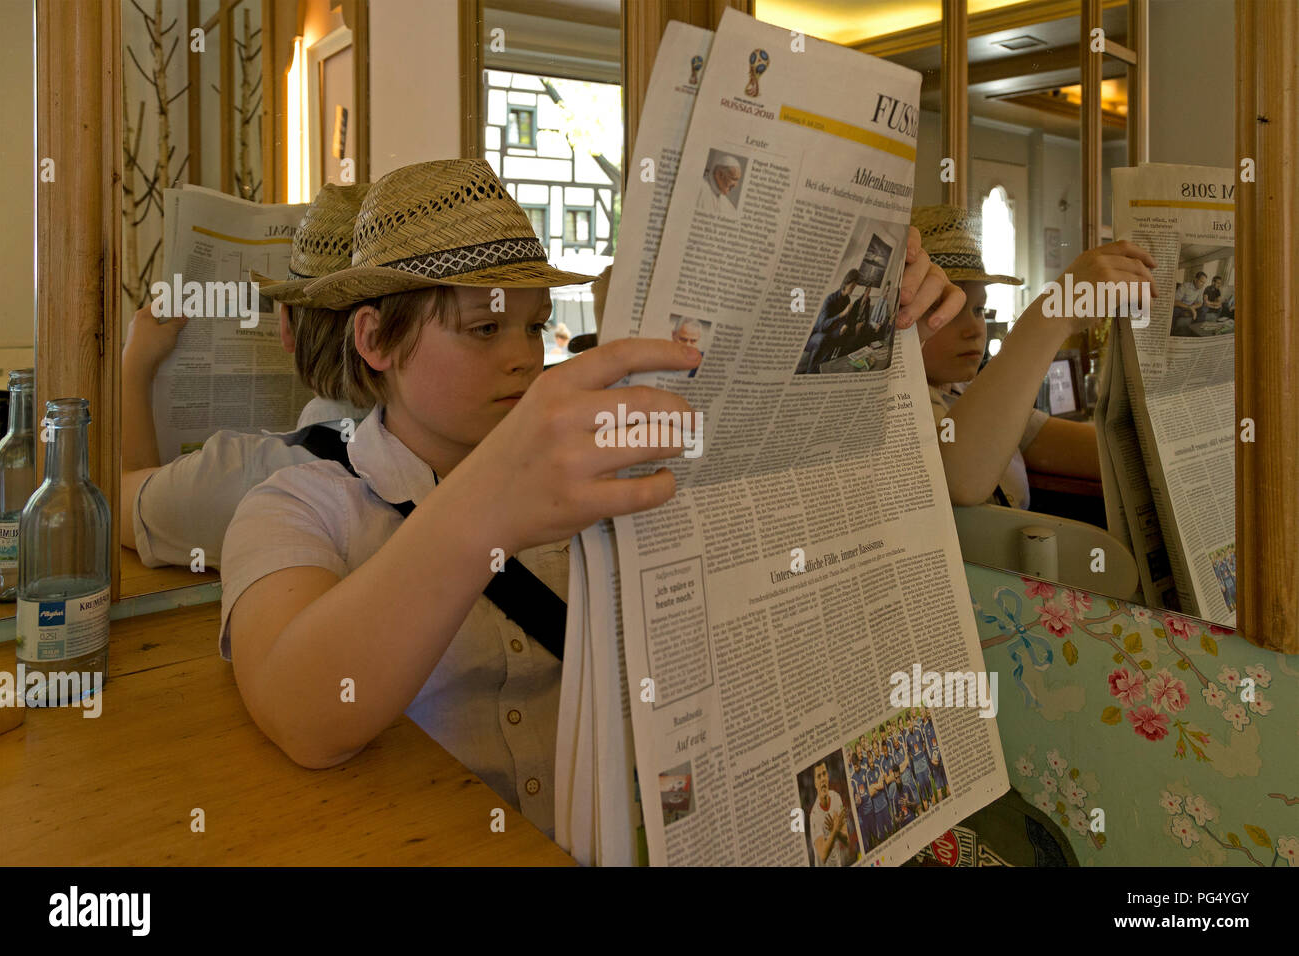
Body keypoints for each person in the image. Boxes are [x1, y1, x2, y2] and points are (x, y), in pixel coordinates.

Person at [217, 160, 967, 837]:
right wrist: (491, 500)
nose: (521, 354)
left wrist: (874, 307)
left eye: (535, 326)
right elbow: (303, 710)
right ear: (376, 341)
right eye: (484, 327)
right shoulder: (302, 501)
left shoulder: (613, 466)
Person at [121, 182, 373, 570]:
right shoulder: (449, 451)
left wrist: (134, 367)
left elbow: (119, 498)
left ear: (285, 326)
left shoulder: (243, 476)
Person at [913, 204, 1152, 509]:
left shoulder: (969, 394)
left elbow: (1105, 454)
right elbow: (960, 479)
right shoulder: (899, 408)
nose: (973, 329)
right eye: (947, 309)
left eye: (978, 310)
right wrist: (1055, 312)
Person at [797, 270, 859, 373]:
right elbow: (822, 326)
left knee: (848, 334)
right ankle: (810, 373)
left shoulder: (847, 300)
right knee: (823, 338)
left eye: (855, 287)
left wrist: (845, 325)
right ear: (846, 283)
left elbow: (845, 320)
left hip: (831, 333)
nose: (853, 289)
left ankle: (830, 368)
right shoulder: (830, 299)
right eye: (852, 286)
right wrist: (842, 314)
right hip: (816, 335)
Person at [808, 761, 851, 866]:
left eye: (824, 774)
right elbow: (823, 855)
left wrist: (836, 831)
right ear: (815, 783)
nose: (822, 778)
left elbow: (847, 841)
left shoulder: (836, 798)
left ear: (828, 776)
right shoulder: (814, 815)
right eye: (819, 776)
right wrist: (835, 830)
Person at [698, 153, 742, 218]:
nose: (735, 185)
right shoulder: (700, 188)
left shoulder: (726, 202)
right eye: (734, 178)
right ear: (720, 174)